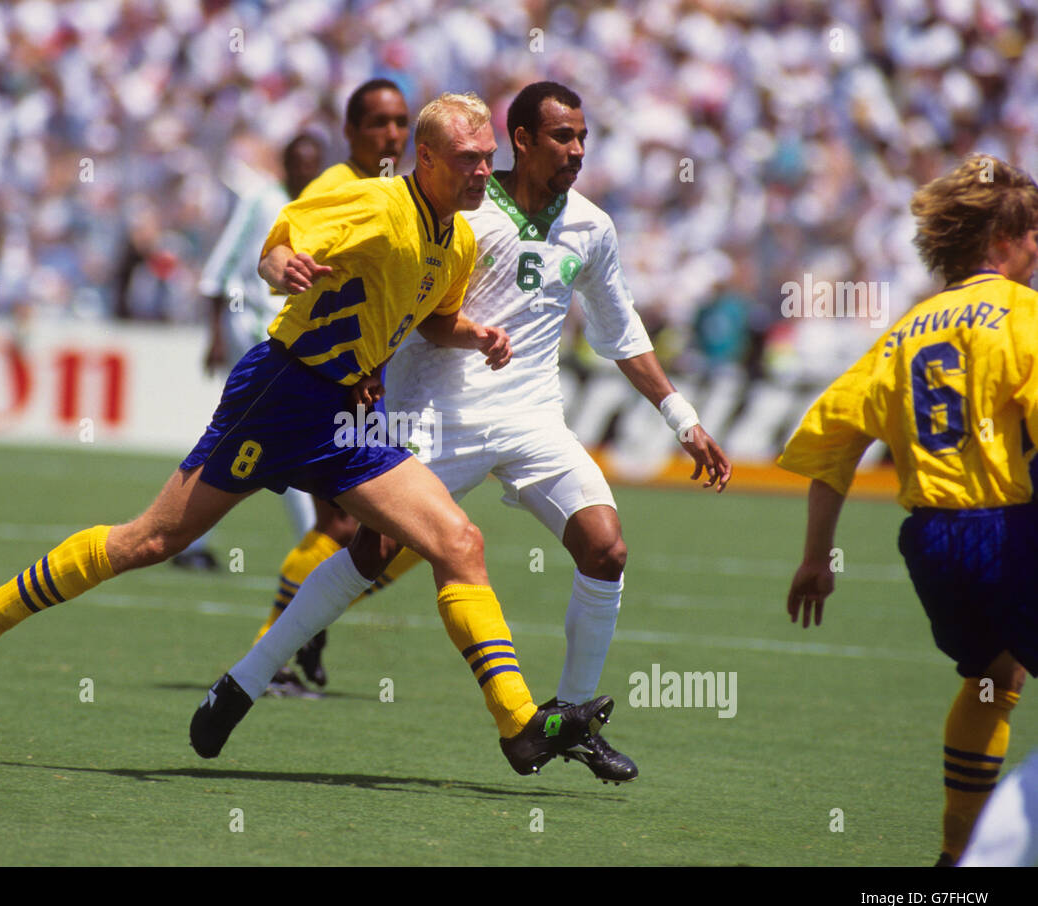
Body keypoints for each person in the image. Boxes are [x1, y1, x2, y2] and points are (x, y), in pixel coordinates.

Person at [0, 93, 615, 776]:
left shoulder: (459, 237)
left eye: (488, 159)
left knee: (457, 542)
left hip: (346, 415)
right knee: (152, 539)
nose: (481, 173)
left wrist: (474, 333)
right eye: (469, 160)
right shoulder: (377, 205)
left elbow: (432, 317)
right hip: (280, 392)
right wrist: (280, 267)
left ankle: (520, 725)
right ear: (428, 158)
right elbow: (281, 241)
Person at [198, 81, 732, 782]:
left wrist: (681, 419)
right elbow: (394, 296)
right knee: (371, 552)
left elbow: (620, 331)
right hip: (434, 415)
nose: (576, 151)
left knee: (606, 550)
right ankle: (246, 677)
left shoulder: (591, 227)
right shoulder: (463, 213)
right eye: (562, 138)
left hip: (535, 420)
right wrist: (364, 373)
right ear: (520, 140)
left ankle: (567, 721)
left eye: (583, 138)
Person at [780, 153, 1038, 865]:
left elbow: (832, 441)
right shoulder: (1025, 318)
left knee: (992, 679)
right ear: (1002, 241)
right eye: (1034, 234)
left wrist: (814, 559)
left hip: (930, 541)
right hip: (1010, 530)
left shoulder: (905, 331)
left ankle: (957, 857)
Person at [248, 78, 415, 693]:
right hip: (320, 383)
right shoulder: (336, 189)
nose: (393, 134)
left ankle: (301, 633)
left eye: (401, 122)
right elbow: (283, 254)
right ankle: (277, 649)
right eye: (379, 123)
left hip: (364, 383)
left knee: (386, 534)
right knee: (352, 530)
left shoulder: (395, 190)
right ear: (351, 132)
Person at [170, 132, 325, 572]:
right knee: (283, 436)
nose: (305, 171)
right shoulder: (263, 201)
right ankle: (312, 549)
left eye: (313, 163)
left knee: (245, 435)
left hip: (287, 332)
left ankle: (189, 540)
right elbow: (225, 262)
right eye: (298, 162)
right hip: (253, 328)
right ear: (285, 165)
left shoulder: (319, 205)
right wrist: (216, 333)